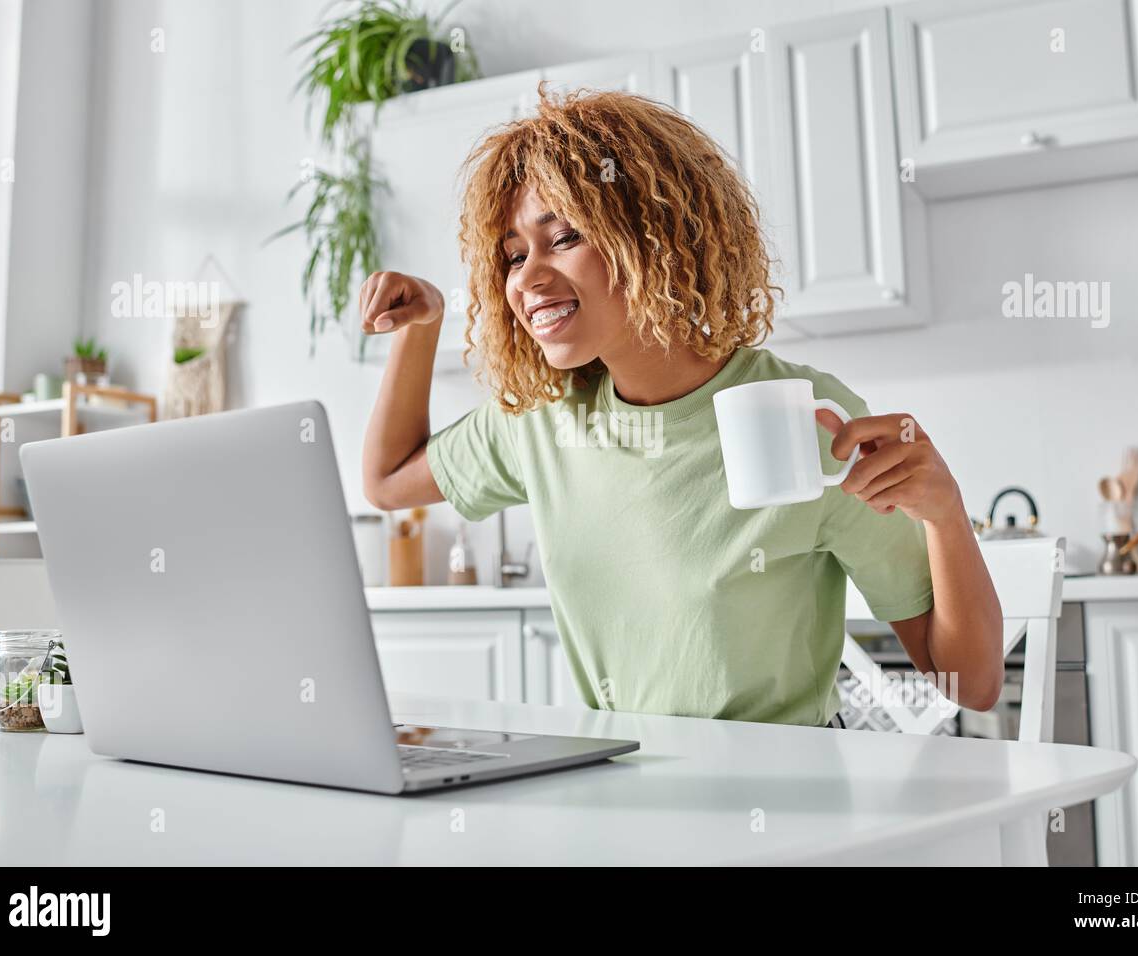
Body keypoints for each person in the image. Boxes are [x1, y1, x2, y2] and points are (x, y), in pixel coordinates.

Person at [361, 84, 1003, 728]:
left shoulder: (807, 417)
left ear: (654, 236)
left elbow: (970, 682)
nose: (526, 278)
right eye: (513, 255)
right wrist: (422, 328)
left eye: (564, 238)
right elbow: (388, 483)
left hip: (782, 797)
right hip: (624, 789)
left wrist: (945, 514)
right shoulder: (544, 418)